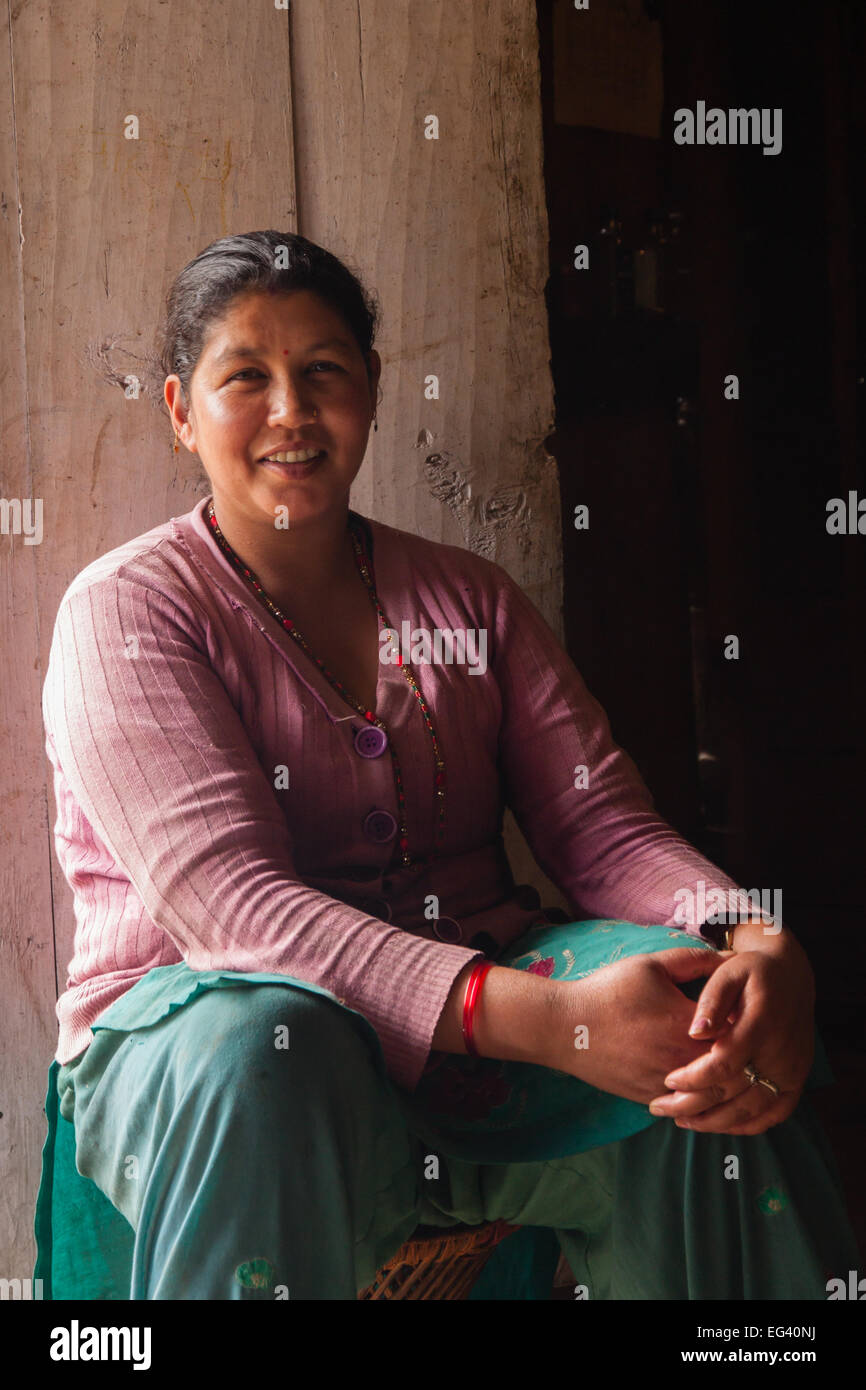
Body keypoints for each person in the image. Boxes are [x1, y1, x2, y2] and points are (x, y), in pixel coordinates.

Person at [33, 231, 860, 1300]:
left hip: (492, 1050)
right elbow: (235, 911)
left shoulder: (466, 601)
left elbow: (601, 829)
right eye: (246, 376)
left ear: (370, 391)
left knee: (702, 1032)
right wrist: (546, 1019)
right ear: (182, 411)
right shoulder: (130, 611)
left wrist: (752, 933)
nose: (290, 408)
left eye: (323, 370)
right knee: (268, 1038)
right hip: (212, 1051)